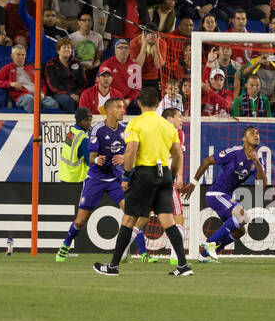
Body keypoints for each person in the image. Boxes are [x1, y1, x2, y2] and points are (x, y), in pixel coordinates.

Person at [93, 86, 191, 277]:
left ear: (139, 104)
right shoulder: (167, 126)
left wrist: (126, 176)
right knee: (168, 221)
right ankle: (183, 265)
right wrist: (170, 174)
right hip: (164, 174)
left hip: (144, 174)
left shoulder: (136, 124)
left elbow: (130, 151)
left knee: (129, 219)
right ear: (157, 104)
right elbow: (178, 154)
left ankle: (113, 266)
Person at [56, 98, 147, 262]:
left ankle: (142, 253)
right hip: (96, 179)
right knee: (81, 221)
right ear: (110, 110)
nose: (123, 110)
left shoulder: (126, 130)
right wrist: (96, 160)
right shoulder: (97, 130)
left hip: (116, 179)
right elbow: (90, 157)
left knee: (131, 213)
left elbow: (133, 153)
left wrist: (124, 157)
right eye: (119, 107)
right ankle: (66, 245)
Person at [189, 126, 267, 261]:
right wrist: (193, 183)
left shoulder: (257, 162)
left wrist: (258, 164)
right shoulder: (235, 152)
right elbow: (207, 161)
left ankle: (205, 256)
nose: (256, 135)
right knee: (243, 216)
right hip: (215, 193)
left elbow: (261, 187)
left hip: (226, 196)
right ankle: (209, 243)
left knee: (240, 231)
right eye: (252, 133)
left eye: (257, 133)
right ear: (244, 138)